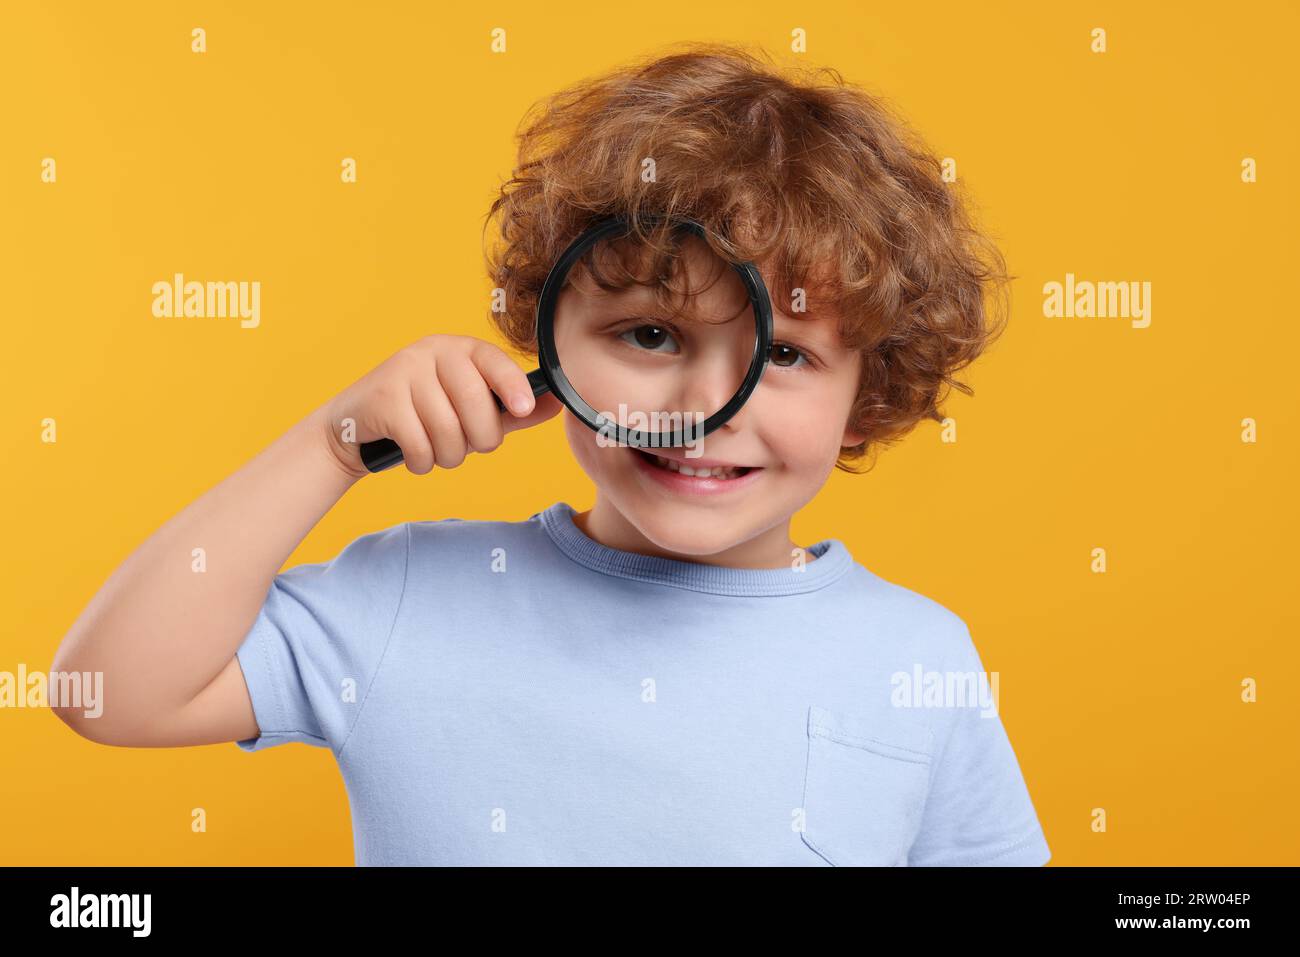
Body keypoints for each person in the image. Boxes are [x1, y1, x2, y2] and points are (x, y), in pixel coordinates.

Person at [51, 43, 1049, 866]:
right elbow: (109, 693)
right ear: (551, 351)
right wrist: (332, 446)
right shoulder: (410, 595)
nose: (704, 407)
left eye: (782, 354)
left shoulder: (916, 657)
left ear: (866, 399)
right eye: (650, 335)